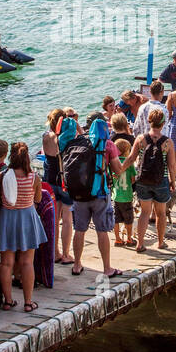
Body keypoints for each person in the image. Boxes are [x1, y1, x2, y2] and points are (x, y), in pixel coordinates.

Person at [0, 142, 47, 312]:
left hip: (7, 219)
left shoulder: (3, 175)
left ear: (11, 157)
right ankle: (28, 302)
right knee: (27, 262)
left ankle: (8, 301)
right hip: (27, 218)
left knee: (6, 263)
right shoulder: (34, 178)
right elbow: (37, 199)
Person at [69, 113, 123, 279]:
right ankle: (107, 268)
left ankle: (77, 265)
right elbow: (118, 170)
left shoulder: (77, 142)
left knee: (79, 230)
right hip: (99, 193)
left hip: (79, 194)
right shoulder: (107, 144)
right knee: (102, 231)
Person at [119, 110, 176, 252]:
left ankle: (140, 244)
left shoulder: (140, 139)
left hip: (143, 180)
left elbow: (132, 158)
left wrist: (120, 170)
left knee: (145, 212)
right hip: (160, 180)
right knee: (161, 213)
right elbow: (172, 165)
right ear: (163, 124)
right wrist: (173, 182)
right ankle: (161, 242)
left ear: (149, 122)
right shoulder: (168, 142)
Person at [41, 113, 72, 265]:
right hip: (64, 182)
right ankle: (66, 254)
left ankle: (55, 252)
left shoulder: (45, 136)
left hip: (50, 180)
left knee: (55, 219)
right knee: (67, 219)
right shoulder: (64, 140)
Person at [112, 139, 137, 247]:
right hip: (127, 196)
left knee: (116, 219)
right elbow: (132, 180)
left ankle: (117, 239)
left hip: (116, 195)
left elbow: (111, 178)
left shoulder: (113, 162)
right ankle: (129, 239)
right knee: (129, 219)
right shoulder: (129, 163)